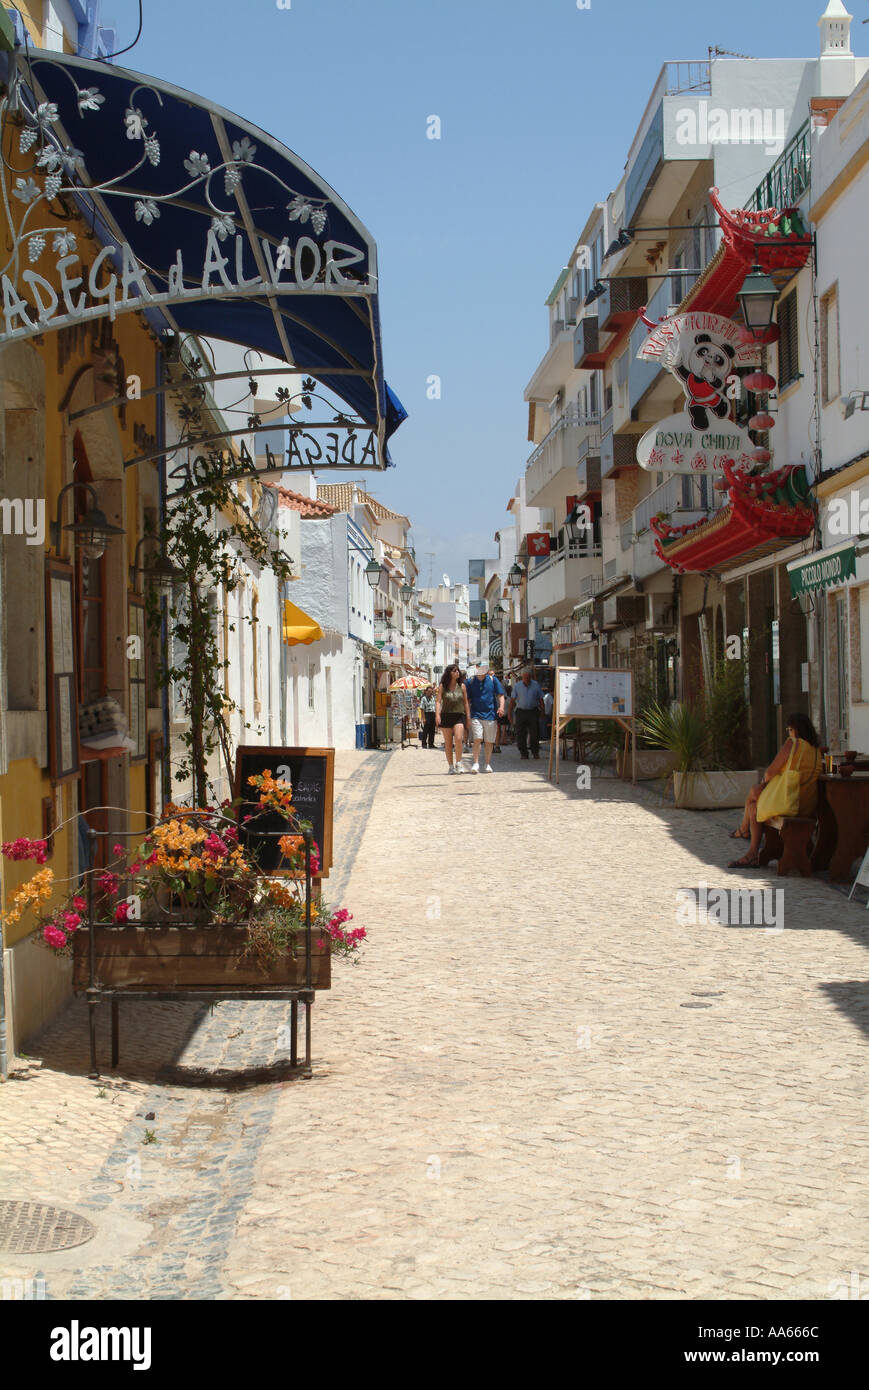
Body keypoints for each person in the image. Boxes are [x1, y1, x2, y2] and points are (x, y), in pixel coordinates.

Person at [728, 712, 822, 868]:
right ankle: (750, 851)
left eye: (789, 729)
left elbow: (770, 772)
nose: (789, 733)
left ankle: (744, 832)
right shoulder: (816, 751)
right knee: (753, 806)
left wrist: (763, 783)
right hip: (807, 806)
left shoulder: (793, 743)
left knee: (754, 791)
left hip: (789, 803)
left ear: (795, 729)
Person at [465, 663, 505, 773]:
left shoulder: (493, 680)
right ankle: (476, 763)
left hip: (491, 715)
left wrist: (501, 707)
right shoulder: (470, 682)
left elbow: (500, 695)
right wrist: (468, 714)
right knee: (477, 738)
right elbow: (467, 700)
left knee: (489, 741)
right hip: (476, 714)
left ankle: (487, 763)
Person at [436, 664, 470, 774]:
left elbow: (466, 703)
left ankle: (459, 763)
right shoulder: (443, 686)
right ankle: (450, 766)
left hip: (459, 716)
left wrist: (468, 717)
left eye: (458, 671)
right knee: (448, 743)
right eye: (455, 671)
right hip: (446, 715)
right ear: (449, 673)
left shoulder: (462, 686)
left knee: (459, 739)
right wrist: (437, 715)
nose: (457, 673)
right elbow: (438, 701)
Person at [510, 668, 545, 760]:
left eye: (528, 677)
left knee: (535, 733)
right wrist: (510, 714)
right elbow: (512, 701)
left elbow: (541, 699)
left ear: (531, 677)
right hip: (521, 711)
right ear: (522, 678)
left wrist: (542, 712)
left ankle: (535, 752)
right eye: (525, 677)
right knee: (520, 734)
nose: (527, 679)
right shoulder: (517, 686)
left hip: (533, 711)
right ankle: (523, 753)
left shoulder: (536, 685)